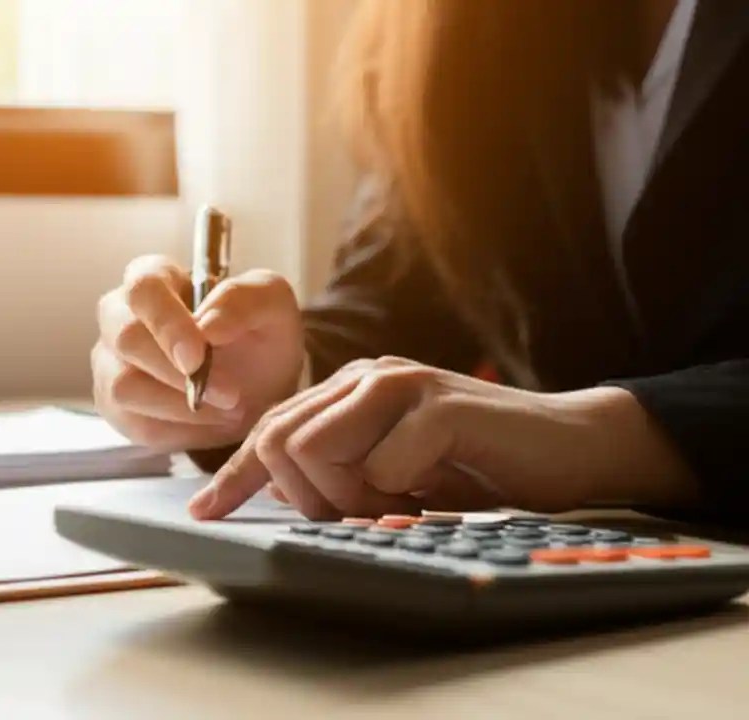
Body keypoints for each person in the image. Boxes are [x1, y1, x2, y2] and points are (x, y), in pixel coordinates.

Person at [91, 0, 749, 522]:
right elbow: (401, 302)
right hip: (586, 600)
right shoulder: (455, 24)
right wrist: (272, 382)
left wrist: (598, 436)